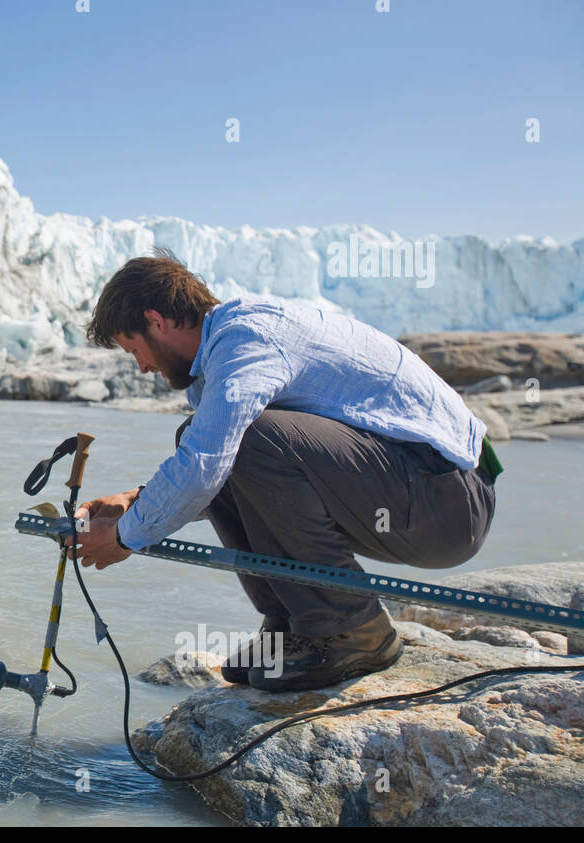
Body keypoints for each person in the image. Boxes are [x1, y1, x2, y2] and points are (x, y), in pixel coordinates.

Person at [73, 249, 500, 691]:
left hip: (450, 502)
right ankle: (296, 623)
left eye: (134, 349)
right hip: (417, 492)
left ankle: (352, 629)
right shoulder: (227, 350)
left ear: (156, 322)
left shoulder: (247, 342)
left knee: (250, 437)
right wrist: (136, 500)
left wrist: (126, 537)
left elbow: (210, 461)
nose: (142, 366)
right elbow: (218, 470)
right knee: (209, 435)